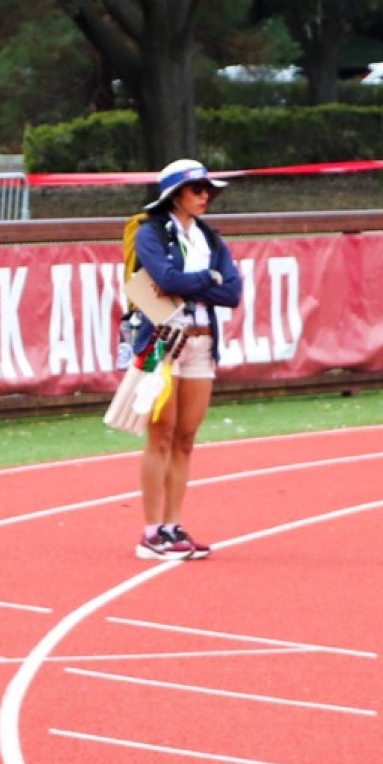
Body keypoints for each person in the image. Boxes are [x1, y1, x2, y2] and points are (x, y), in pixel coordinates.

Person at [126, 158, 243, 561]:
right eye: (198, 190)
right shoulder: (150, 233)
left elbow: (232, 293)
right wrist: (206, 280)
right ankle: (151, 531)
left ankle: (173, 526)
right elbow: (167, 280)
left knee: (186, 437)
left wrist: (200, 285)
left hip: (202, 341)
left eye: (208, 190)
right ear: (176, 194)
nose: (205, 196)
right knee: (160, 433)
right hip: (161, 341)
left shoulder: (210, 237)